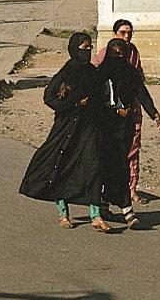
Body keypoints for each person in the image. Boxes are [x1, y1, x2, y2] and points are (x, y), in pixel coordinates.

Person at [19, 32, 113, 232]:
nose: (87, 52)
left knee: (94, 166)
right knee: (62, 166)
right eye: (83, 48)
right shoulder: (66, 73)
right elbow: (49, 97)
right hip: (68, 127)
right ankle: (63, 212)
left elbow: (102, 97)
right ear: (73, 49)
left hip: (90, 127)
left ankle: (95, 215)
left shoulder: (92, 72)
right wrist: (75, 104)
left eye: (89, 48)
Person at [94, 19, 160, 205]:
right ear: (115, 34)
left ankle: (131, 189)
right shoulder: (106, 53)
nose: (127, 36)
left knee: (133, 149)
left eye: (129, 33)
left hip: (133, 109)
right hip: (111, 113)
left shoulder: (134, 52)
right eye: (123, 33)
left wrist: (153, 113)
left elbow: (139, 82)